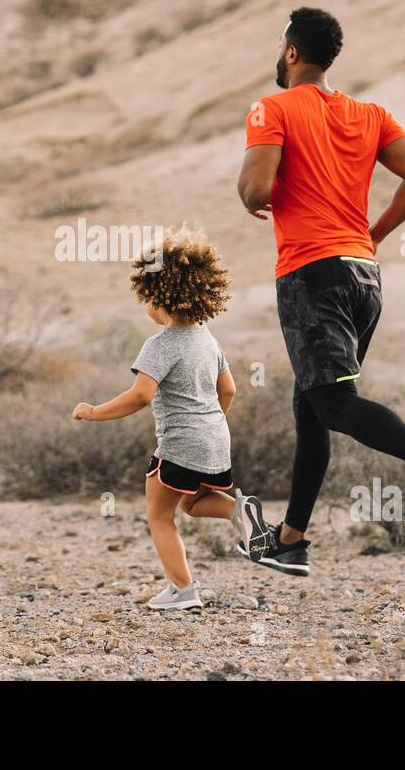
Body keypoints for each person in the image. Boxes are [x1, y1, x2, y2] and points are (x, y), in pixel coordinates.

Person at [236, 7, 405, 577]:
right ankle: (291, 541)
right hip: (363, 275)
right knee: (312, 407)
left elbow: (254, 190)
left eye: (281, 51)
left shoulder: (271, 108)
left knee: (331, 404)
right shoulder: (370, 112)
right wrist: (369, 236)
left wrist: (255, 189)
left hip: (310, 273)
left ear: (292, 53)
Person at [72, 229, 274, 609]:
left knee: (160, 516)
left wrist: (95, 412)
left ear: (158, 298)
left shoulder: (161, 345)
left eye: (147, 297)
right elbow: (228, 390)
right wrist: (210, 423)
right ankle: (237, 509)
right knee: (193, 503)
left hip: (181, 444)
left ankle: (183, 591)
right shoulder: (207, 338)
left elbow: (140, 396)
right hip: (217, 439)